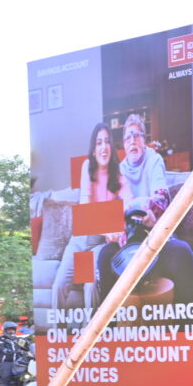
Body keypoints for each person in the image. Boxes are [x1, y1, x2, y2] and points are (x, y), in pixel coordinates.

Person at [52, 122, 133, 310]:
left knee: (90, 286)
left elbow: (129, 202)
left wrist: (120, 224)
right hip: (80, 241)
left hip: (97, 244)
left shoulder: (118, 173)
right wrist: (108, 227)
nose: (103, 147)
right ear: (94, 149)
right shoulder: (87, 166)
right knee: (59, 287)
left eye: (107, 142)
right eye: (99, 142)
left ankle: (91, 328)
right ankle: (59, 328)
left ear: (112, 147)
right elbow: (86, 205)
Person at [94, 190, 193, 306]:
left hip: (156, 237)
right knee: (105, 254)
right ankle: (107, 315)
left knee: (181, 250)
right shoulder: (109, 182)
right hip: (124, 242)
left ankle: (189, 313)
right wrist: (114, 225)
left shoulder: (155, 178)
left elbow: (163, 198)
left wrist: (153, 214)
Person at [119, 114, 167, 202]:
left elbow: (161, 200)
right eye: (128, 138)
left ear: (144, 139)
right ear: (124, 144)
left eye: (136, 136)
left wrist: (132, 205)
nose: (132, 142)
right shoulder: (120, 170)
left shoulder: (154, 160)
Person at [0, 321, 25, 386]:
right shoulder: (1, 339)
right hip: (5, 362)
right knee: (6, 379)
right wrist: (5, 350)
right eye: (9, 330)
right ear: (5, 330)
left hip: (17, 361)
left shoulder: (17, 339)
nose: (11, 331)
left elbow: (25, 346)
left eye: (13, 330)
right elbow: (0, 347)